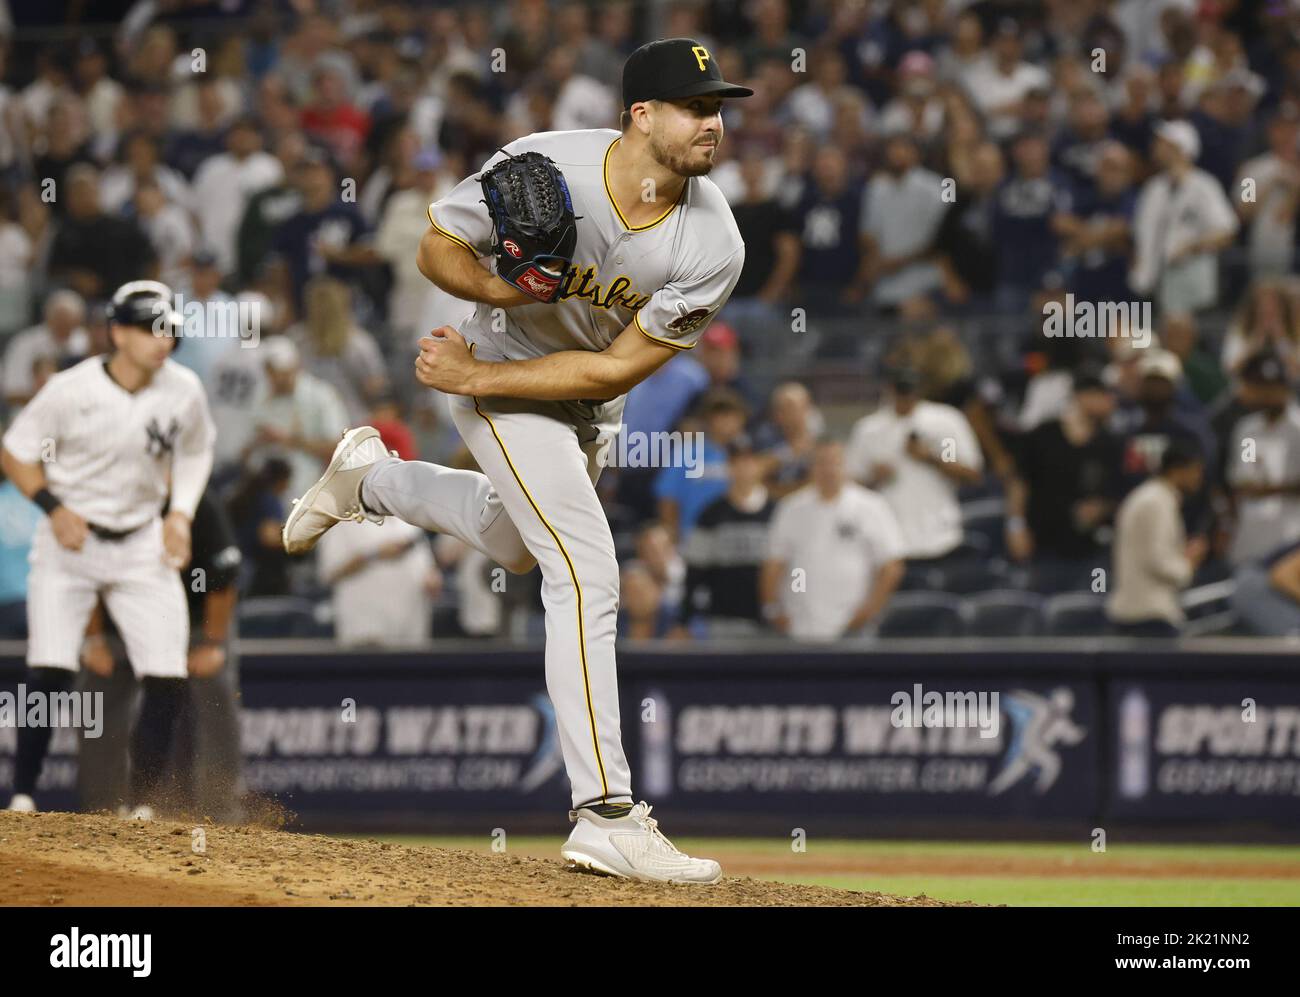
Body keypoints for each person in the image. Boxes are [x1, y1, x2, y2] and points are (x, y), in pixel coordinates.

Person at [281, 38, 750, 884]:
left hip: (569, 392)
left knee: (509, 542)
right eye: (695, 105)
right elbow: (434, 246)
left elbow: (613, 370)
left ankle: (370, 479)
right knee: (586, 570)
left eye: (718, 107)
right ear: (640, 114)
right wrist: (498, 293)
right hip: (500, 377)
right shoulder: (548, 165)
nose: (713, 122)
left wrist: (479, 372)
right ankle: (604, 810)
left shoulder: (714, 241)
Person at [1, 281, 215, 814]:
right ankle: (24, 797)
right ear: (117, 332)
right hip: (69, 544)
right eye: (150, 329)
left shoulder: (184, 389)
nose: (163, 341)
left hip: (142, 541)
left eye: (169, 331)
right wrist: (52, 507)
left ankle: (138, 808)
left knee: (166, 672)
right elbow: (15, 452)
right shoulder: (70, 389)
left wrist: (181, 514)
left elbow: (196, 452)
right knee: (48, 669)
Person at [761, 438, 905, 641]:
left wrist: (870, 611)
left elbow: (891, 567)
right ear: (811, 467)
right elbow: (774, 563)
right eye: (821, 462)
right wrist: (773, 609)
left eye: (834, 462)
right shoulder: (791, 508)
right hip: (801, 625)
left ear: (845, 465)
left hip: (854, 625)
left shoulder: (872, 506)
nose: (828, 469)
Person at [845, 366, 984, 563]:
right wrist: (874, 478)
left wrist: (931, 458)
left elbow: (972, 475)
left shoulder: (945, 421)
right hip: (891, 539)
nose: (906, 398)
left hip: (942, 534)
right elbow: (850, 486)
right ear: (890, 390)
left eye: (910, 391)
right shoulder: (869, 430)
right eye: (901, 391)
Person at [1129, 120, 1238, 315]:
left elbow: (1226, 231)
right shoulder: (1154, 188)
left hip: (1189, 283)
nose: (1156, 147)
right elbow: (1141, 234)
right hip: (1150, 284)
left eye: (1163, 143)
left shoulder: (1203, 185)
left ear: (1180, 148)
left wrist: (1190, 246)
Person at [1107, 438, 1207, 638]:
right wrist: (1189, 563)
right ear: (1178, 470)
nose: (1199, 478)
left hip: (1142, 614)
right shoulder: (1156, 502)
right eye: (1196, 470)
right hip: (1147, 617)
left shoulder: (1154, 497)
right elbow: (1158, 561)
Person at [316, 518, 440, 647]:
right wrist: (374, 553)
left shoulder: (407, 514)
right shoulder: (342, 517)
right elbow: (329, 573)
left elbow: (424, 561)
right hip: (367, 626)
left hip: (410, 624)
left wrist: (431, 575)